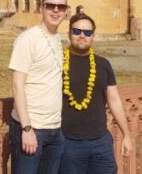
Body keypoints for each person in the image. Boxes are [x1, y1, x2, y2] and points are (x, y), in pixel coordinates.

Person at [59, 12, 133, 174]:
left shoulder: (103, 64)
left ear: (93, 37)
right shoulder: (57, 62)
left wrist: (126, 134)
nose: (82, 36)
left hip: (101, 142)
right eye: (77, 31)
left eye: (87, 32)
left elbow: (114, 100)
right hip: (68, 143)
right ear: (69, 34)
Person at [9, 0, 69, 173]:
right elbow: (17, 85)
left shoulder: (57, 39)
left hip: (55, 130)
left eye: (61, 6)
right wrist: (27, 129)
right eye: (50, 5)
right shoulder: (27, 39)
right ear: (41, 8)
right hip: (31, 128)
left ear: (66, 11)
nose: (56, 10)